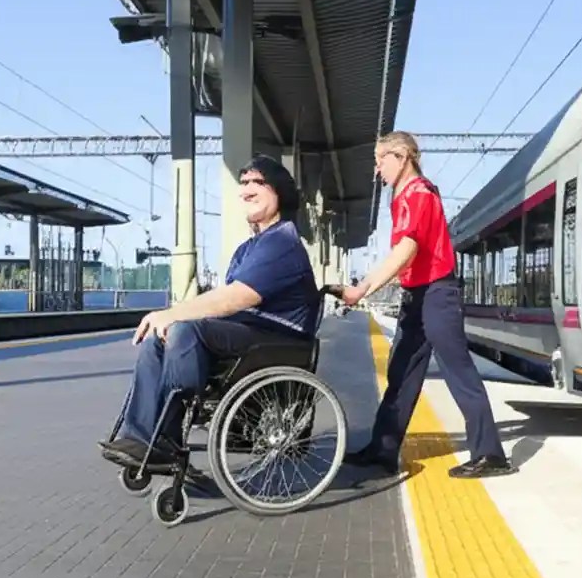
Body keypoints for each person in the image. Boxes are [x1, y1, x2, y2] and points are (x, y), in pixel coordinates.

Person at [100, 154, 318, 469]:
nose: (246, 190)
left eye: (258, 182)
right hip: (248, 332)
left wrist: (174, 314)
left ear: (280, 192)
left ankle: (170, 432)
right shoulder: (249, 248)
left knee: (185, 329)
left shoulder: (282, 242)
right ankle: (140, 437)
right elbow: (223, 299)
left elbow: (237, 297)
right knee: (156, 340)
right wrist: (169, 320)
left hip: (278, 337)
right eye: (243, 184)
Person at [340, 131, 516, 479]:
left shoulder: (419, 195)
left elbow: (406, 250)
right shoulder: (403, 197)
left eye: (380, 160)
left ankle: (490, 453)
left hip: (437, 294)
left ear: (402, 156)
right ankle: (383, 451)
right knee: (401, 372)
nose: (377, 171)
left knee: (458, 370)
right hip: (416, 296)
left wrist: (362, 288)